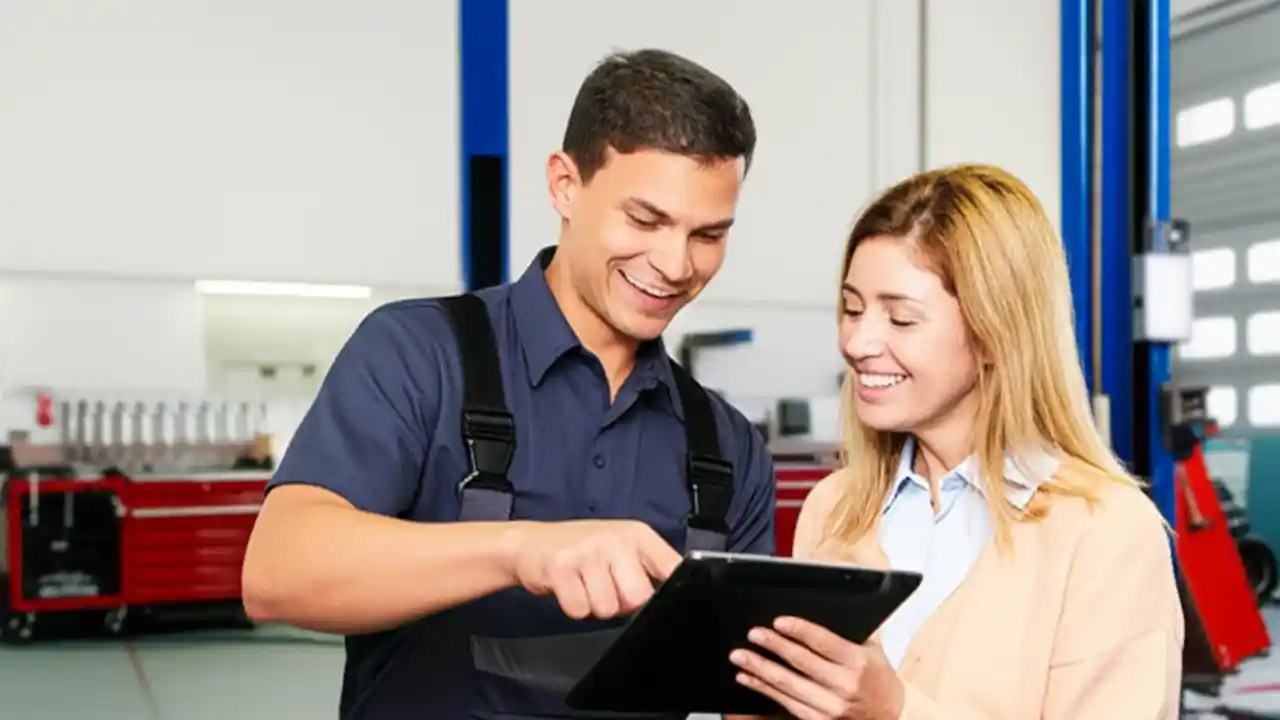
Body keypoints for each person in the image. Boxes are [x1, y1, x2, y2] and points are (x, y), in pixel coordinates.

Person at [239, 48, 777, 719]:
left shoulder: (728, 450)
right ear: (565, 185)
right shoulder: (419, 355)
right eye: (645, 220)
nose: (674, 263)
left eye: (709, 235)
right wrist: (522, 549)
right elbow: (276, 575)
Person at [727, 164, 1185, 719]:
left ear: (995, 332)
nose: (857, 341)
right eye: (852, 309)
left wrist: (894, 712)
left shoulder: (1105, 530)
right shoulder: (835, 509)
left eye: (901, 319)